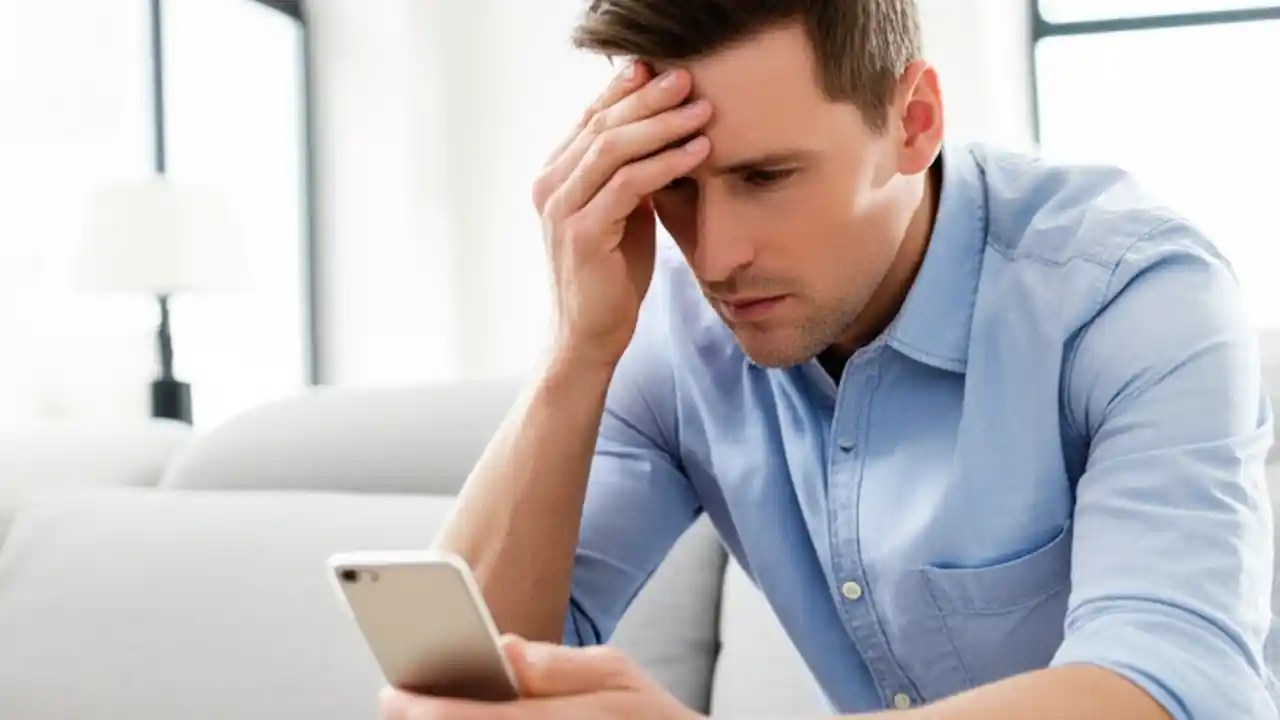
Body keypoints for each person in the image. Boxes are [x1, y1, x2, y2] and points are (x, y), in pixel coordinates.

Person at [379, 1, 1276, 718]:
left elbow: (1176, 686)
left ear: (913, 122)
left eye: (766, 177)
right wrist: (575, 353)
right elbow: (469, 679)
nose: (716, 255)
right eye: (675, 186)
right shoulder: (671, 336)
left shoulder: (1133, 295)